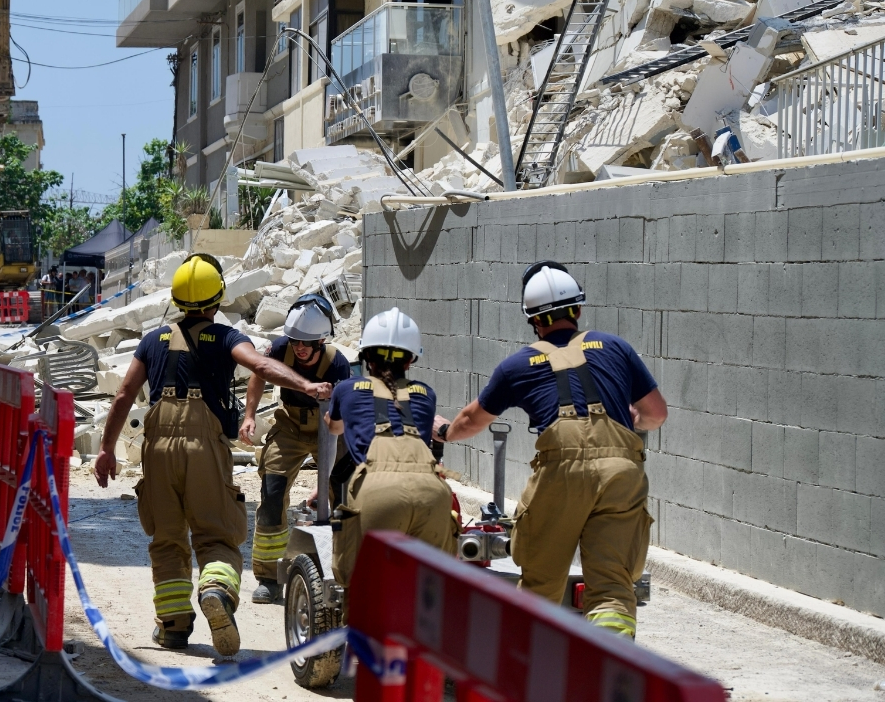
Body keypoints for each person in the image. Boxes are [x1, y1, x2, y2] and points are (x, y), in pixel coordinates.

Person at [94, 254, 332, 655]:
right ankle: (217, 590)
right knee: (217, 532)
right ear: (217, 298)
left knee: (167, 539)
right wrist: (307, 387)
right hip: (205, 448)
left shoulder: (153, 340)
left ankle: (172, 626)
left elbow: (123, 396)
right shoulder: (225, 337)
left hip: (157, 449)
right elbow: (262, 364)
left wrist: (106, 449)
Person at [439, 261, 668, 639]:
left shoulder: (517, 365)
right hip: (622, 473)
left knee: (541, 586)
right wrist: (632, 421)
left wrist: (444, 432)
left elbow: (471, 420)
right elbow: (656, 414)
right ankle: (610, 672)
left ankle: (533, 675)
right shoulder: (616, 347)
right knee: (612, 588)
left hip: (562, 475)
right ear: (578, 310)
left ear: (533, 321)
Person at [326, 307, 457, 587]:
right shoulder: (426, 394)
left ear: (366, 357)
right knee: (430, 592)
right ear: (410, 361)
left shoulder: (346, 389)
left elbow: (335, 427)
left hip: (378, 491)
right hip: (432, 493)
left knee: (367, 591)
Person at [239, 294, 352, 603]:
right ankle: (269, 577)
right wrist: (249, 416)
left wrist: (328, 473)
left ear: (320, 341)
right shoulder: (278, 350)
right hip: (289, 426)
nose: (298, 348)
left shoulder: (337, 364)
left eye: (306, 343)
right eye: (294, 341)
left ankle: (340, 571)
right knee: (272, 493)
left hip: (328, 429)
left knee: (341, 496)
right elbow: (259, 376)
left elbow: (345, 415)